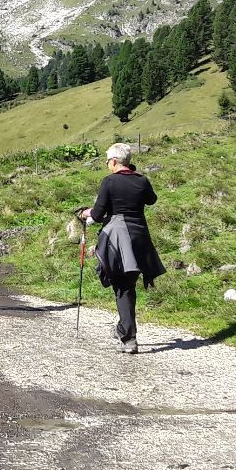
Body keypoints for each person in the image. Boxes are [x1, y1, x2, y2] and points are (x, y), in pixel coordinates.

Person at [78, 142, 165, 353]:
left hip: (118, 238)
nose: (107, 164)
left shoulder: (109, 182)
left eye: (108, 161)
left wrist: (84, 213)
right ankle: (125, 330)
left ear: (115, 161)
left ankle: (128, 337)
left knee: (122, 286)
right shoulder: (142, 180)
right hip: (140, 237)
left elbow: (98, 215)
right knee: (129, 285)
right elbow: (151, 200)